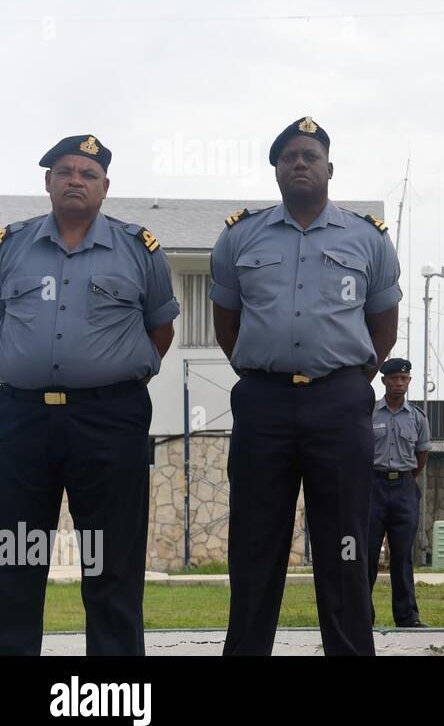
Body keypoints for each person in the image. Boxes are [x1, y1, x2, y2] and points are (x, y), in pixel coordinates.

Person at [210, 117, 400, 656]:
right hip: (263, 403)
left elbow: (382, 327)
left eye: (310, 156)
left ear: (330, 169)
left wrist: (344, 379)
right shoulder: (239, 236)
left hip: (339, 405)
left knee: (344, 544)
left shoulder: (367, 239)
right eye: (288, 156)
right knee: (254, 543)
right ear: (275, 170)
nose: (299, 163)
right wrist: (262, 372)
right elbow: (228, 325)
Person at [0, 134, 179, 655]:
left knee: (113, 565)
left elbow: (160, 330)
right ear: (47, 182)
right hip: (19, 421)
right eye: (65, 171)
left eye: (88, 173)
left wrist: (118, 379)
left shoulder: (136, 247)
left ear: (105, 187)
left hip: (109, 420)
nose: (75, 179)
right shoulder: (11, 246)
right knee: (14, 559)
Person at [369, 357, 433, 628]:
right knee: (368, 555)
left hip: (404, 488)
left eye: (404, 379)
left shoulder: (417, 417)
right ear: (383, 381)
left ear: (409, 381)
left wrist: (403, 479)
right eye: (394, 378)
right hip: (373, 488)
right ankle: (362, 617)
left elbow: (421, 457)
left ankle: (407, 617)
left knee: (402, 556)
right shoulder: (369, 413)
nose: (399, 383)